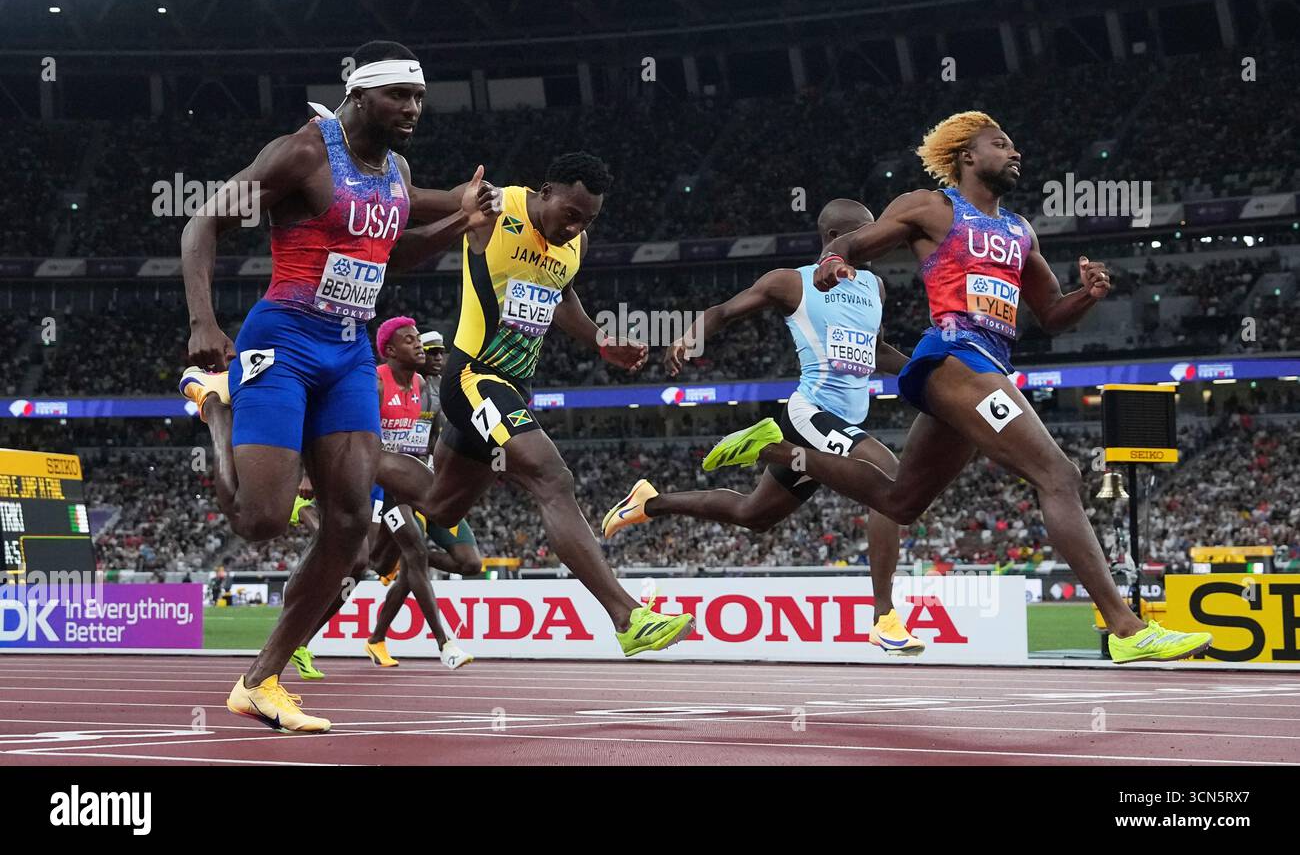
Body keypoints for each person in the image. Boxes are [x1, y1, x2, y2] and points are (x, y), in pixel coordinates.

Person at [702, 111, 1211, 664]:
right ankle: (1126, 626)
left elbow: (1051, 315)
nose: (1016, 154)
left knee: (900, 502)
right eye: (1002, 144)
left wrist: (1087, 295)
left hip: (987, 364)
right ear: (968, 156)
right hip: (953, 358)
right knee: (1059, 474)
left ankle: (779, 451)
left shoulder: (1021, 231)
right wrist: (830, 262)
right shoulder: (933, 207)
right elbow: (852, 246)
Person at [179, 40, 494, 732]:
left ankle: (262, 679)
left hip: (349, 348)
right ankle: (215, 409)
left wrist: (460, 222)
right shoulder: (303, 154)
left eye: (418, 97)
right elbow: (202, 220)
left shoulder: (397, 171)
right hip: (281, 342)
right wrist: (204, 318)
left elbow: (394, 251)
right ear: (360, 96)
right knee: (262, 520)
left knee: (350, 527)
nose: (413, 108)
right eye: (398, 96)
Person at [379, 152, 696, 655]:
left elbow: (561, 296)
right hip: (474, 378)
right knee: (553, 478)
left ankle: (357, 456)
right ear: (545, 191)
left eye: (588, 220)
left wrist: (598, 341)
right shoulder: (497, 204)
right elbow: (413, 210)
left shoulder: (577, 243)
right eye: (570, 213)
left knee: (440, 504)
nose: (576, 227)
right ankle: (627, 617)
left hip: (514, 387)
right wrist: (448, 208)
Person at [603, 199, 923, 654]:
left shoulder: (874, 285)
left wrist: (924, 376)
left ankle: (651, 503)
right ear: (835, 237)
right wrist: (691, 336)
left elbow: (876, 351)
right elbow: (726, 310)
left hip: (844, 423)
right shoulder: (790, 283)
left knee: (754, 515)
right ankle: (884, 616)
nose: (879, 240)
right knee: (887, 476)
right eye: (869, 231)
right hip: (811, 412)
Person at [284, 318, 475, 680]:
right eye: (411, 341)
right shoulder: (373, 383)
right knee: (388, 557)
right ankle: (445, 644)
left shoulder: (425, 387)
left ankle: (302, 639)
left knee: (374, 563)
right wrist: (309, 473)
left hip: (412, 484)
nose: (421, 347)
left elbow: (433, 438)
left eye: (422, 341)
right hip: (374, 484)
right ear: (389, 350)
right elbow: (328, 420)